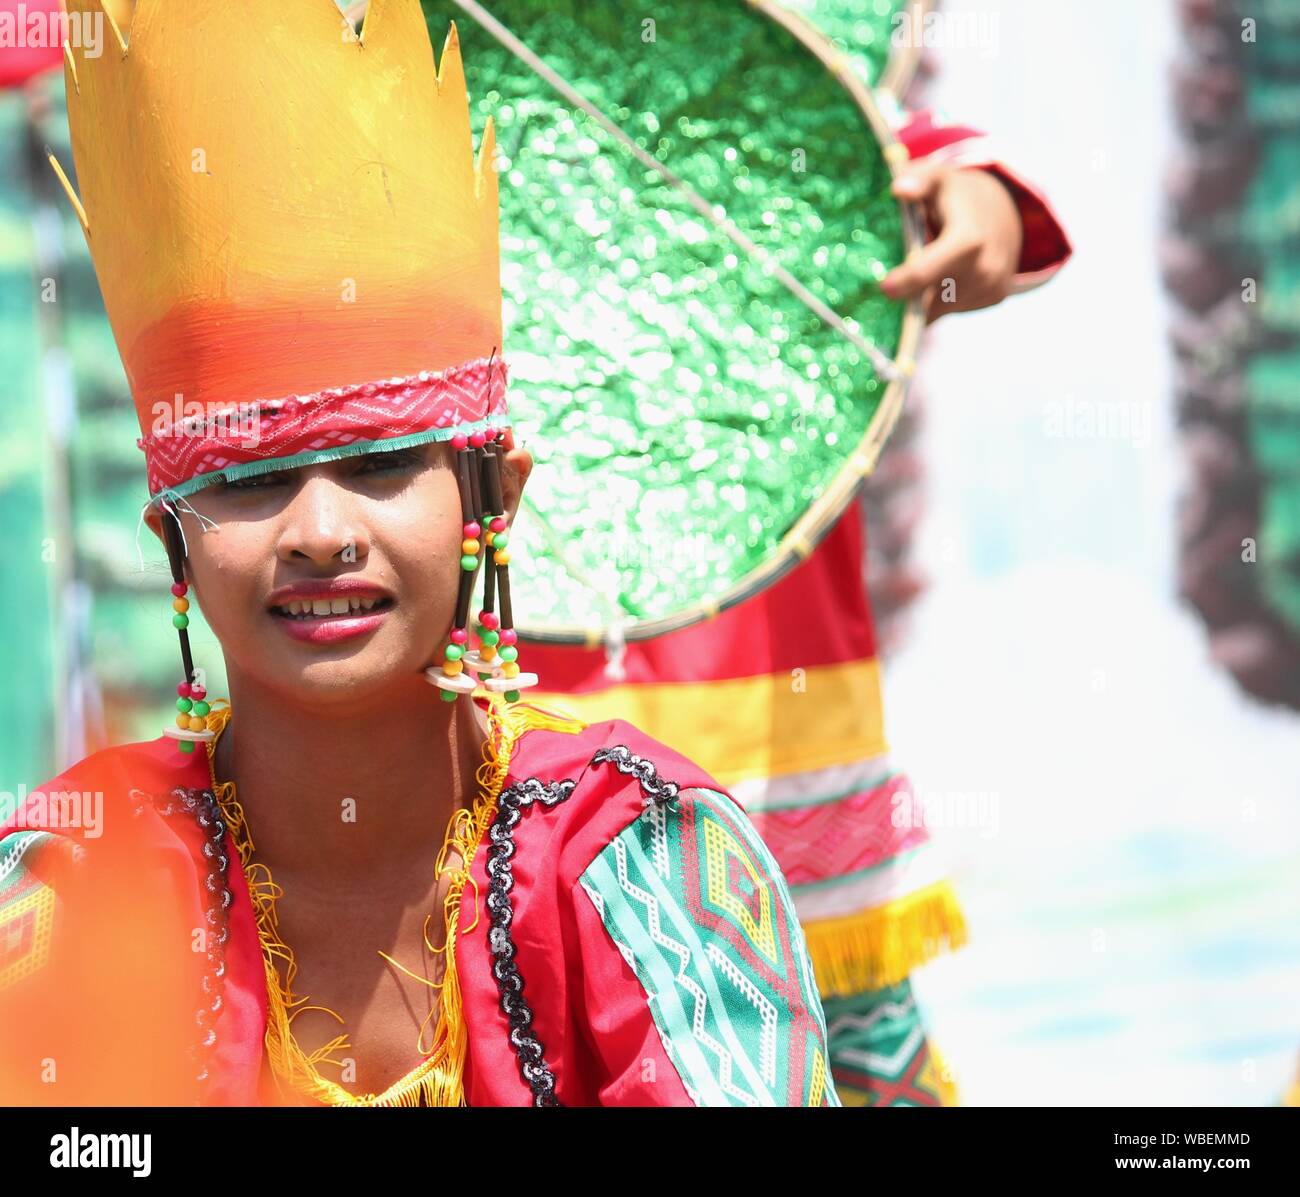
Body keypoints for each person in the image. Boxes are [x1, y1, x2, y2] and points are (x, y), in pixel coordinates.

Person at [0, 1, 834, 1107]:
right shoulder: (76, 875)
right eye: (248, 482)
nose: (321, 534)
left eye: (385, 466)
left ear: (495, 496)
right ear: (173, 544)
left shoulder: (636, 855)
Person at [523, 102, 1072, 1104]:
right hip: (511, 702)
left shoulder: (761, 77)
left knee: (793, 1040)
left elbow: (909, 169)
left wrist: (970, 201)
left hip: (770, 715)